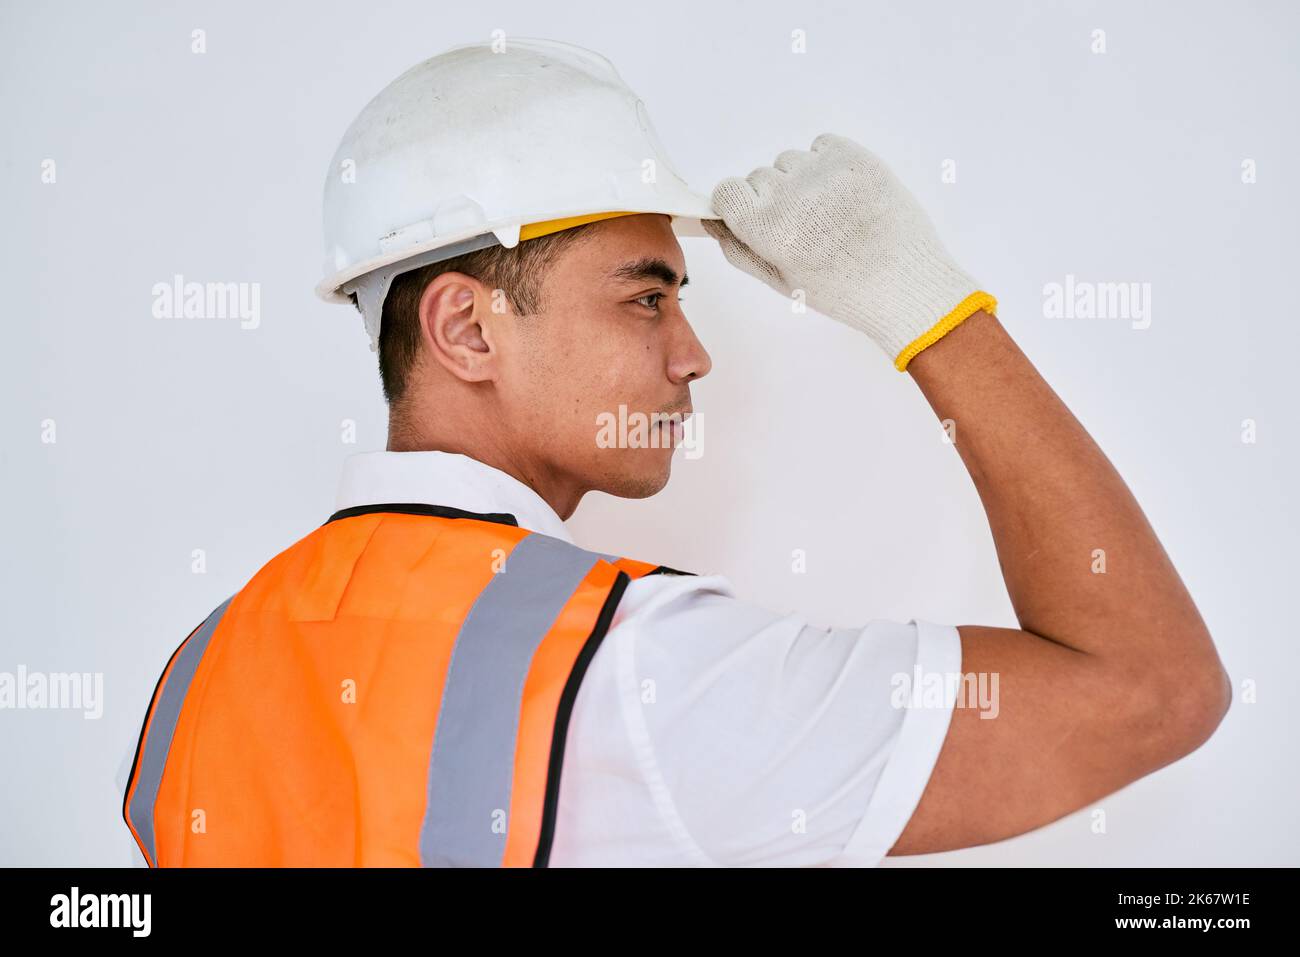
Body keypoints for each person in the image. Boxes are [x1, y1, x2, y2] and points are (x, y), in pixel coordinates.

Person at [118, 40, 1229, 867]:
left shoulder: (196, 672)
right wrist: (930, 310)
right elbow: (1152, 689)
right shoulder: (638, 669)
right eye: (645, 299)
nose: (693, 356)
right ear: (466, 330)